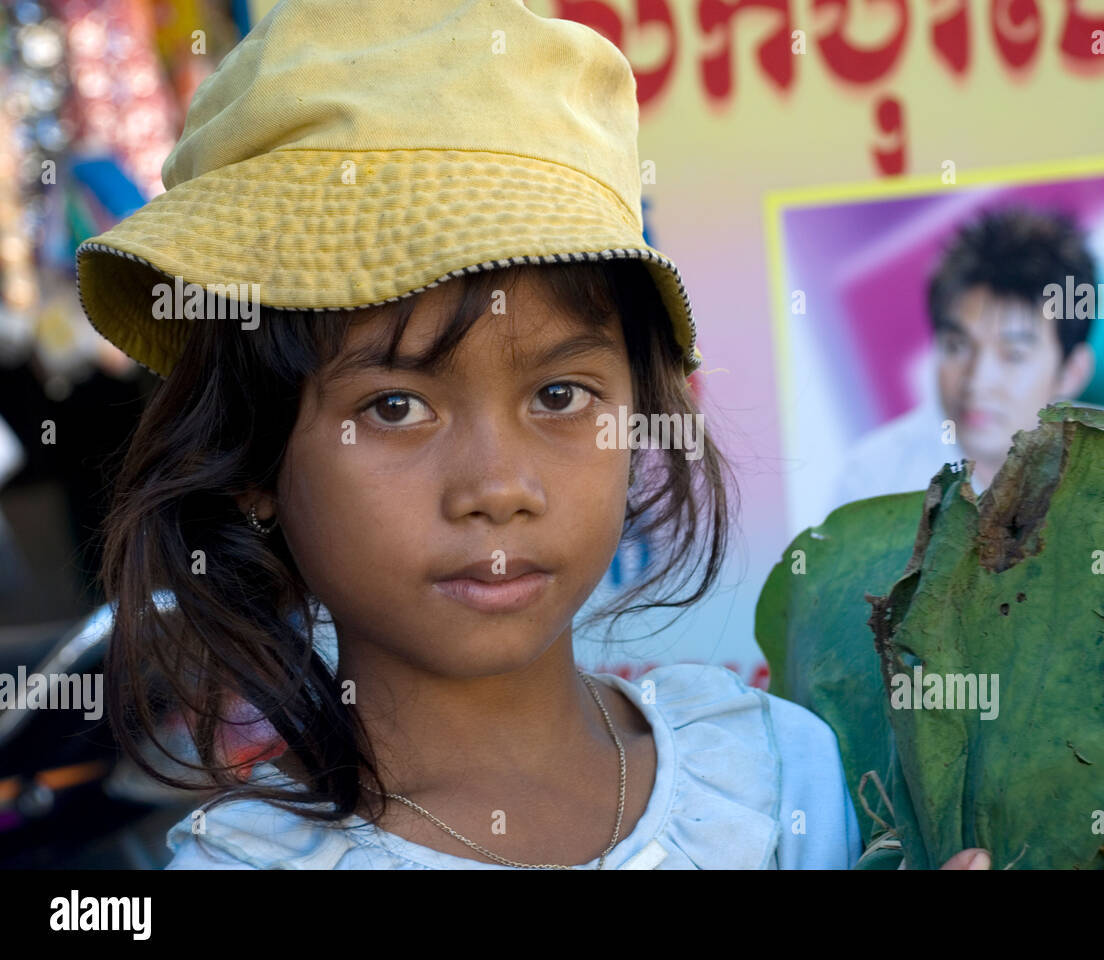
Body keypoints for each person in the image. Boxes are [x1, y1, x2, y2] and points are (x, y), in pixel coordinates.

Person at [72, 0, 945, 870]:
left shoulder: (776, 776)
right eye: (395, 408)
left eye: (561, 394)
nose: (497, 486)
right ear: (253, 459)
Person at [833, 207, 1097, 504]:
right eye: (957, 347)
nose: (977, 381)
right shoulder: (874, 481)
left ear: (1071, 372)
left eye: (1013, 354)